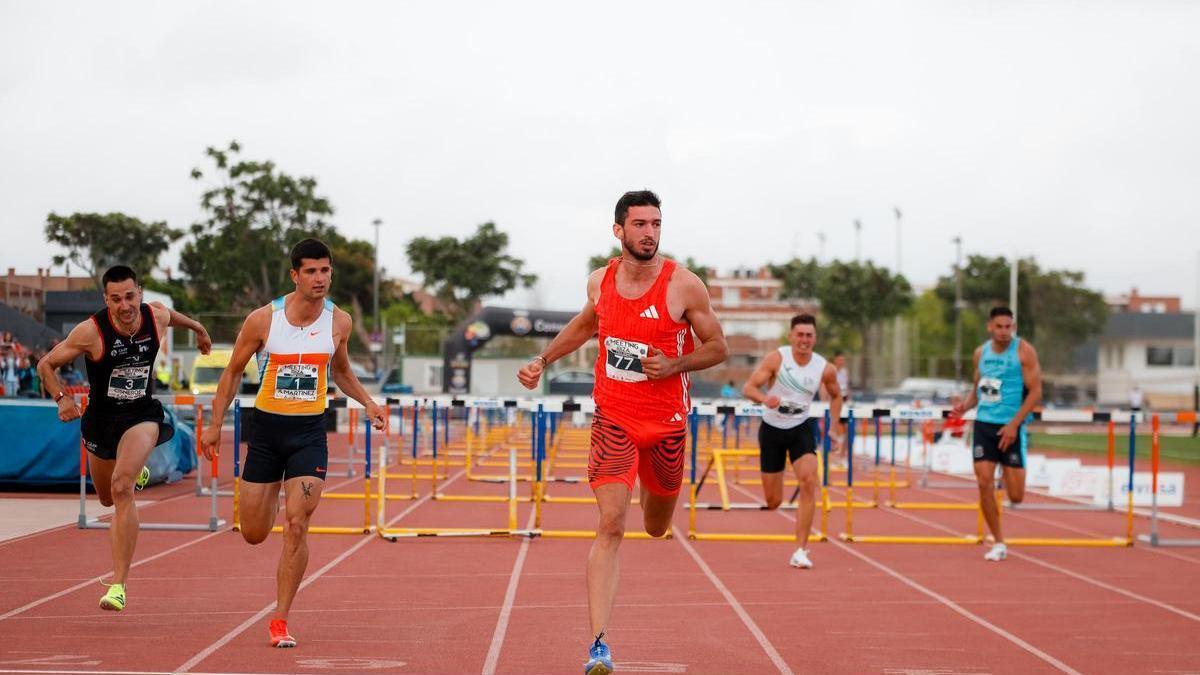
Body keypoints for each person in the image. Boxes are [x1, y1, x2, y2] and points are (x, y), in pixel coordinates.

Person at [517, 190, 727, 675]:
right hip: (614, 419)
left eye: (656, 224)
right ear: (619, 230)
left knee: (655, 526)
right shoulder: (600, 281)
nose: (650, 233)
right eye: (640, 224)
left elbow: (718, 346)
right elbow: (584, 326)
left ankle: (654, 494)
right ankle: (598, 645)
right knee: (611, 523)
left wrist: (674, 363)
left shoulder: (683, 285)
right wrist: (542, 359)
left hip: (667, 425)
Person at [199, 238, 385, 649]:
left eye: (325, 270)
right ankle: (269, 496)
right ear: (295, 275)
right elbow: (232, 372)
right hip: (266, 433)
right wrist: (214, 424)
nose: (320, 278)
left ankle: (280, 619)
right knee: (253, 532)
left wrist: (369, 402)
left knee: (297, 524)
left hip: (309, 435)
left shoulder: (339, 322)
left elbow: (342, 372)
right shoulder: (264, 320)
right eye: (311, 271)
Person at [36, 265, 212, 611]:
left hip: (141, 415)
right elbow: (45, 365)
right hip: (101, 421)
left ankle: (118, 584)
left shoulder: (154, 317)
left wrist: (199, 329)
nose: (125, 305)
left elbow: (171, 314)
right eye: (116, 299)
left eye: (130, 296)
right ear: (106, 299)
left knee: (121, 488)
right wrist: (62, 399)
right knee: (106, 498)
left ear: (139, 294)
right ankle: (134, 472)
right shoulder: (91, 331)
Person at [742, 314, 842, 569]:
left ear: (815, 338)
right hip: (772, 430)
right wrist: (765, 399)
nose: (804, 340)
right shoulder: (777, 359)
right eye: (800, 335)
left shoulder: (824, 368)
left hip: (802, 428)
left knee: (809, 481)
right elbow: (749, 388)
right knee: (773, 501)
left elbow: (836, 396)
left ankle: (800, 551)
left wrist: (833, 428)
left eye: (809, 335)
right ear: (791, 336)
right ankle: (777, 489)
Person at [952, 306, 1042, 562]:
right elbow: (978, 389)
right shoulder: (981, 353)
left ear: (1013, 327)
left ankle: (1006, 472)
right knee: (983, 483)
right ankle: (999, 542)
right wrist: (964, 406)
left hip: (1011, 426)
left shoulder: (1024, 351)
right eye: (999, 327)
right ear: (990, 327)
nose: (1004, 332)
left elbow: (1036, 392)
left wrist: (1014, 424)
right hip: (984, 425)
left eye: (1008, 327)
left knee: (1016, 496)